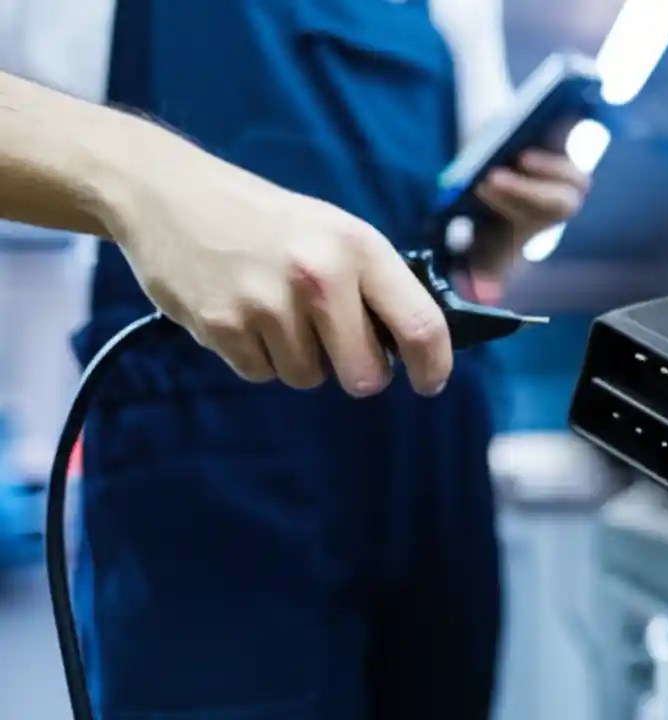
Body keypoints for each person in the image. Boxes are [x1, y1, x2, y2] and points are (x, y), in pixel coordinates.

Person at [0, 1, 590, 717]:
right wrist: (143, 175)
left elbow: (464, 232)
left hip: (435, 448)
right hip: (211, 439)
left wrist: (505, 224)